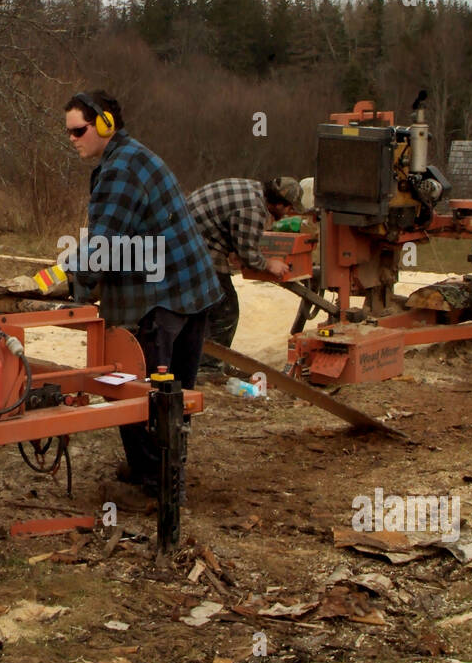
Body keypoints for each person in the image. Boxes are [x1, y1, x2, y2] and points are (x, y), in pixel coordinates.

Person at [61, 90, 223, 495]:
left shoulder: (121, 171)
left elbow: (102, 246)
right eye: (68, 132)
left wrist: (68, 281)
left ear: (104, 124)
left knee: (135, 391)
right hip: (189, 292)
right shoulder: (130, 157)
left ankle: (160, 484)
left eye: (79, 130)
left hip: (165, 299)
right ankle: (162, 474)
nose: (73, 139)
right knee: (172, 397)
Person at [187, 176, 302, 376]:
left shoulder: (253, 189)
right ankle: (208, 367)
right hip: (193, 245)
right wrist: (269, 264)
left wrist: (234, 249)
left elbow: (229, 223)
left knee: (205, 306)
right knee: (225, 307)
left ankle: (200, 359)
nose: (287, 213)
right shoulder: (254, 211)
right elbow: (249, 255)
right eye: (288, 208)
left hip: (191, 233)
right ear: (278, 203)